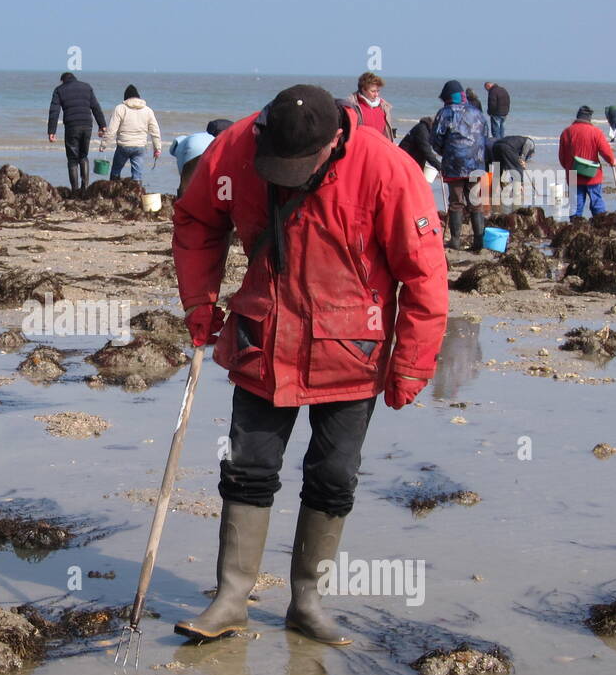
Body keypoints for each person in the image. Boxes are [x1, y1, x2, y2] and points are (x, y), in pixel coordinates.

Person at [171, 85, 448, 646]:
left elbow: (424, 277)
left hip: (352, 353)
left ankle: (307, 601)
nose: (283, 174)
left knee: (333, 477)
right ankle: (230, 598)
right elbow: (198, 221)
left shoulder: (389, 171)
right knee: (247, 469)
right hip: (261, 341)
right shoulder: (232, 150)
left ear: (333, 144)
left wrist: (412, 365)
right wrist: (199, 303)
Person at [430, 80, 492, 252]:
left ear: (447, 97)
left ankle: (456, 240)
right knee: (475, 201)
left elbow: (435, 138)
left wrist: (445, 152)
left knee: (456, 202)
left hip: (455, 163)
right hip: (476, 162)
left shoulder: (445, 112)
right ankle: (478, 241)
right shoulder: (477, 112)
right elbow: (485, 135)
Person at [46, 71, 106, 193]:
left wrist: (51, 131)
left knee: (72, 159)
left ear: (62, 80)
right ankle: (85, 189)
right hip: (87, 125)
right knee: (83, 156)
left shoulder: (59, 90)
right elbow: (96, 107)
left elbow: (54, 111)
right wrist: (102, 125)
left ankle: (75, 190)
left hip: (72, 126)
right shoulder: (86, 87)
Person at [558, 106, 615, 216]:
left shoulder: (566, 132)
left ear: (577, 117)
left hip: (573, 174)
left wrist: (568, 167)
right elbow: (605, 151)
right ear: (589, 119)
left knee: (576, 205)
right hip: (593, 173)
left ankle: (575, 226)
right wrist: (612, 160)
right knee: (596, 202)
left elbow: (562, 157)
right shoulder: (596, 132)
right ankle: (600, 224)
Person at [104, 85, 161, 181]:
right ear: (138, 97)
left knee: (116, 171)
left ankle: (113, 192)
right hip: (140, 147)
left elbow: (112, 129)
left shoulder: (120, 108)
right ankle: (137, 193)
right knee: (137, 175)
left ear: (125, 98)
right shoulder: (148, 110)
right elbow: (155, 131)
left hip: (123, 146)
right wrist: (157, 149)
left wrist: (104, 144)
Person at [344, 72, 395, 140]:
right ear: (363, 89)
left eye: (378, 91)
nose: (376, 94)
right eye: (373, 91)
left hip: (380, 146)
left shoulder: (384, 106)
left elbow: (388, 133)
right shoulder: (351, 105)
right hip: (361, 146)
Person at [169, 131, 214, 199]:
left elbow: (183, 173)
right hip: (212, 146)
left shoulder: (180, 148)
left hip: (193, 149)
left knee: (185, 184)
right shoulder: (206, 136)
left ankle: (182, 205)